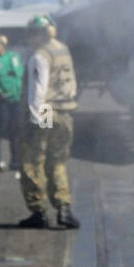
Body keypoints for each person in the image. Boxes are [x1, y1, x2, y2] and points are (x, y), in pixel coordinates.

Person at [19, 15, 79, 229]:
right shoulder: (63, 49)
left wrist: (35, 119)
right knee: (58, 161)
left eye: (31, 34)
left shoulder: (40, 56)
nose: (29, 39)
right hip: (65, 112)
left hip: (45, 111)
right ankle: (64, 209)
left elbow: (38, 89)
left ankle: (39, 212)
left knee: (33, 161)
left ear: (38, 34)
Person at [0, 32, 24, 179]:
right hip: (2, 102)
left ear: (2, 43)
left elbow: (19, 74)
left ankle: (16, 161)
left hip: (17, 100)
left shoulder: (14, 57)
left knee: (17, 131)